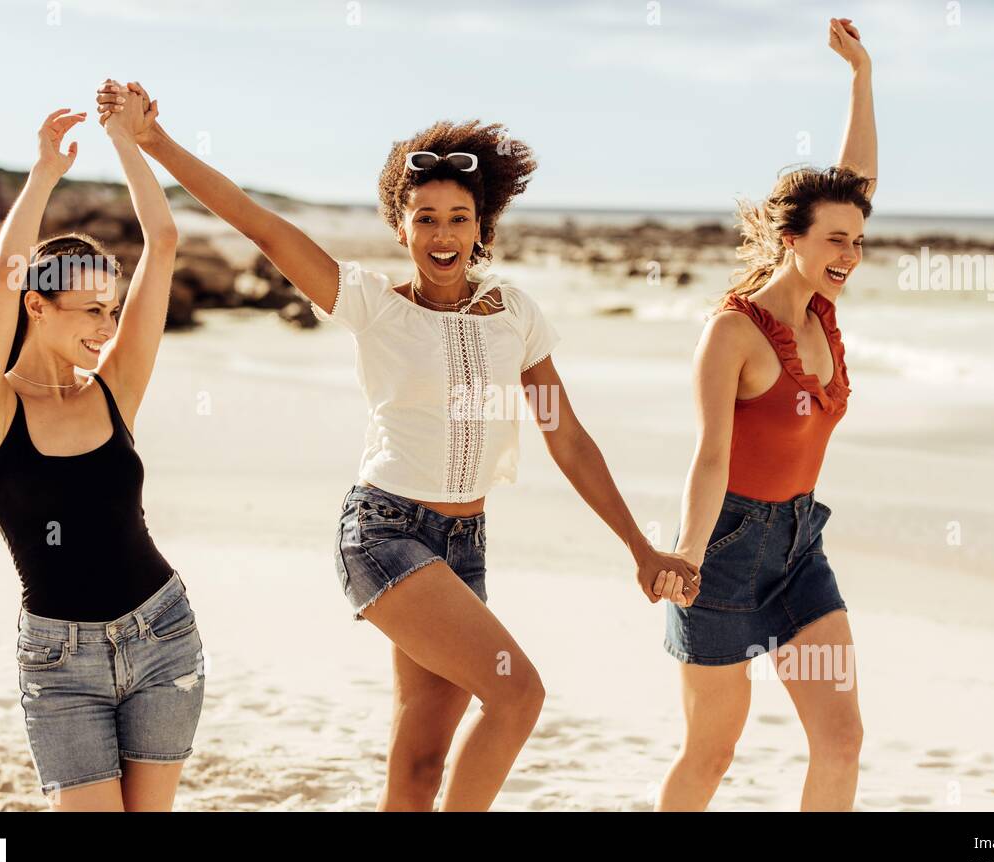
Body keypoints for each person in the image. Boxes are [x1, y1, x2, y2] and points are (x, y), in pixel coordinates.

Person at [94, 80, 700, 811]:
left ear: (482, 228)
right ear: (402, 226)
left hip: (463, 545)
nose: (442, 235)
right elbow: (262, 226)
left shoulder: (515, 314)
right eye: (425, 219)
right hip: (384, 534)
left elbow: (566, 436)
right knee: (518, 693)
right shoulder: (373, 304)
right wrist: (155, 141)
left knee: (419, 764)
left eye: (458, 218)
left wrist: (640, 545)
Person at [0, 93, 201, 811]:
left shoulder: (116, 386)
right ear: (37, 306)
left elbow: (163, 238)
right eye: (90, 310)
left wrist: (130, 139)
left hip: (162, 633)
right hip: (59, 664)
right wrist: (42, 176)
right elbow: (7, 270)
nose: (106, 325)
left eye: (111, 309)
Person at [653, 17, 876, 811]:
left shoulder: (824, 308)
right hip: (725, 554)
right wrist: (684, 552)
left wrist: (861, 78)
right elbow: (711, 454)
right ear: (791, 239)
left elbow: (854, 185)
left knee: (842, 739)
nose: (848, 255)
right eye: (834, 241)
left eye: (857, 241)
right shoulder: (734, 333)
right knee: (711, 755)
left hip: (799, 546)